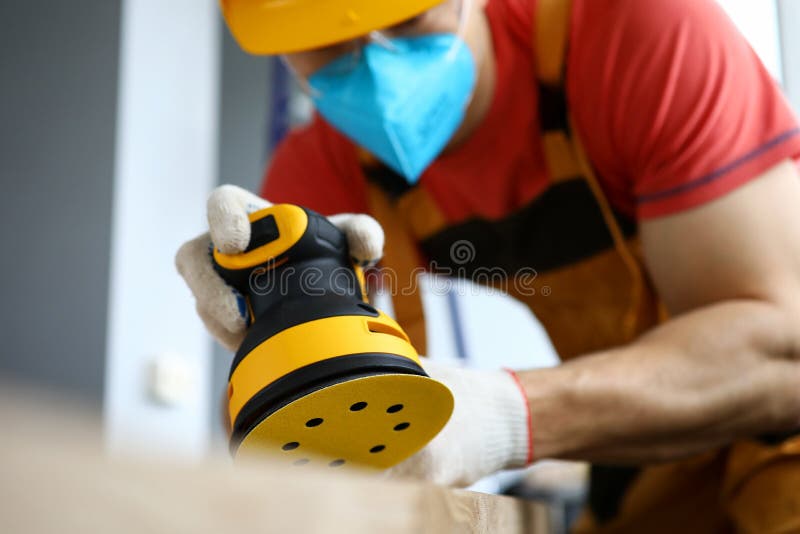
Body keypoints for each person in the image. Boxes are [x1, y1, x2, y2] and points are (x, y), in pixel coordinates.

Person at [176, 0, 800, 531]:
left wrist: (500, 415)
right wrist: (267, 324)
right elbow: (287, 452)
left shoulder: (637, 36)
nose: (373, 61)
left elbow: (780, 355)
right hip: (645, 458)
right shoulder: (322, 173)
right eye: (323, 45)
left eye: (408, 19)